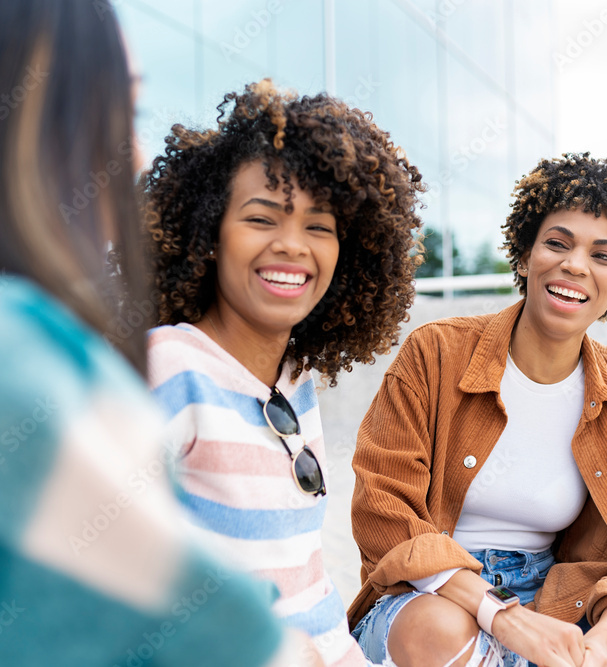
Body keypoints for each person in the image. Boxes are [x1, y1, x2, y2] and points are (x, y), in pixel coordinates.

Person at [0, 1, 315, 665]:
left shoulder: (299, 381)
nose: (136, 156)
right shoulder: (3, 358)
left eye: (320, 226)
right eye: (119, 110)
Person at [348, 153, 607, 666]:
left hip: (564, 600)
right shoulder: (435, 353)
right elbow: (383, 508)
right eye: (557, 243)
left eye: (603, 255)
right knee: (441, 634)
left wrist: (604, 643)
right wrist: (503, 616)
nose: (575, 264)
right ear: (526, 254)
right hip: (434, 596)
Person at [143, 80, 425, 667]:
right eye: (262, 219)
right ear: (208, 236)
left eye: (319, 226)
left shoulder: (296, 379)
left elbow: (303, 581)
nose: (293, 245)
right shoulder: (167, 367)